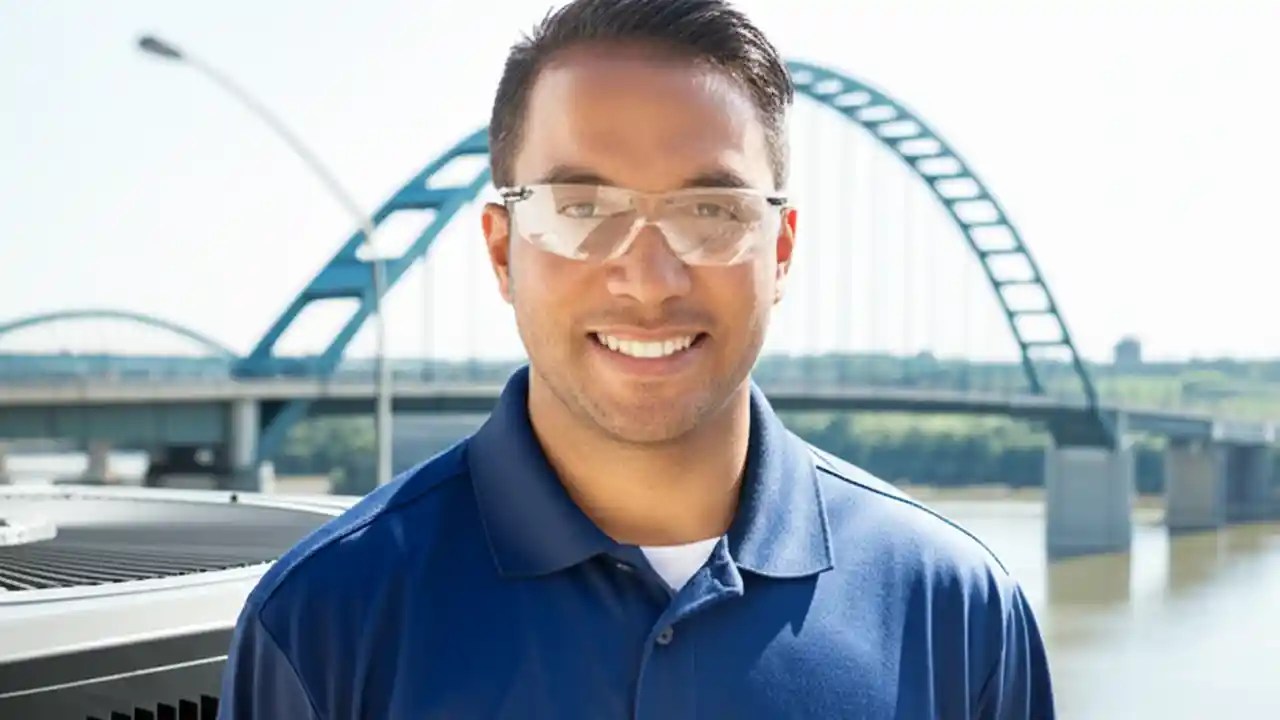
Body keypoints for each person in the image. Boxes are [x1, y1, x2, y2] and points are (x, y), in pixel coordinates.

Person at [217, 0, 1055, 717]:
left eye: (710, 210)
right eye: (580, 207)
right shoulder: (324, 622)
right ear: (503, 252)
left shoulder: (957, 613)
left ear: (783, 251)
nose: (649, 281)